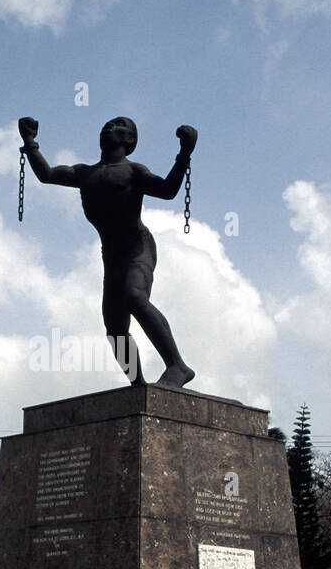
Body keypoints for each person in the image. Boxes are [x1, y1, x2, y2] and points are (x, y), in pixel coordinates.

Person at [18, 115, 197, 388]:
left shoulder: (134, 171)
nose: (110, 127)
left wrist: (184, 153)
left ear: (130, 140)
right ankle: (138, 386)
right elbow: (47, 175)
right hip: (111, 256)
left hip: (138, 248)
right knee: (115, 328)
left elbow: (167, 190)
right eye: (108, 124)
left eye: (120, 125)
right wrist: (30, 142)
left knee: (134, 296)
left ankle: (178, 366)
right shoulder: (85, 173)